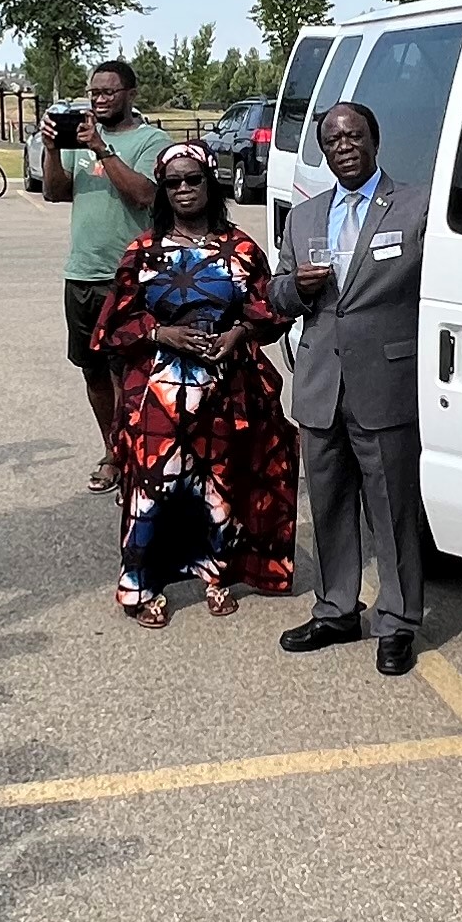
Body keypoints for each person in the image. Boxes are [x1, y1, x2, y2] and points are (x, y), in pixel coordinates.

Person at [92, 137, 296, 625]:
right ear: (162, 190)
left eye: (193, 179)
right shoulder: (143, 251)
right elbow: (110, 330)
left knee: (218, 483)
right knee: (152, 486)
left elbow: (271, 311)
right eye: (173, 182)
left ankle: (215, 572)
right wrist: (161, 332)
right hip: (158, 393)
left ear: (210, 182)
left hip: (226, 391)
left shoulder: (242, 248)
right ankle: (140, 587)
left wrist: (239, 333)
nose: (184, 189)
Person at [279, 99, 430, 673]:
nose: (344, 146)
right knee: (330, 505)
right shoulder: (304, 216)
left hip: (386, 382)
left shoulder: (416, 207)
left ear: (375, 140)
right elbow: (275, 297)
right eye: (333, 139)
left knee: (392, 509)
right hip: (321, 384)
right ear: (322, 149)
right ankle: (337, 609)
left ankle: (397, 620)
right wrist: (297, 285)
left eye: (354, 136)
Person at [42, 58, 168, 485]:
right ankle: (113, 451)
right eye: (94, 92)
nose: (99, 99)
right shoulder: (78, 138)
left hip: (129, 276)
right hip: (81, 273)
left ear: (131, 94)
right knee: (93, 370)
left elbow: (144, 194)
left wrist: (101, 149)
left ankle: (140, 452)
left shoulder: (152, 140)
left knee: (130, 372)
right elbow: (55, 193)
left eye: (108, 92)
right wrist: (53, 149)